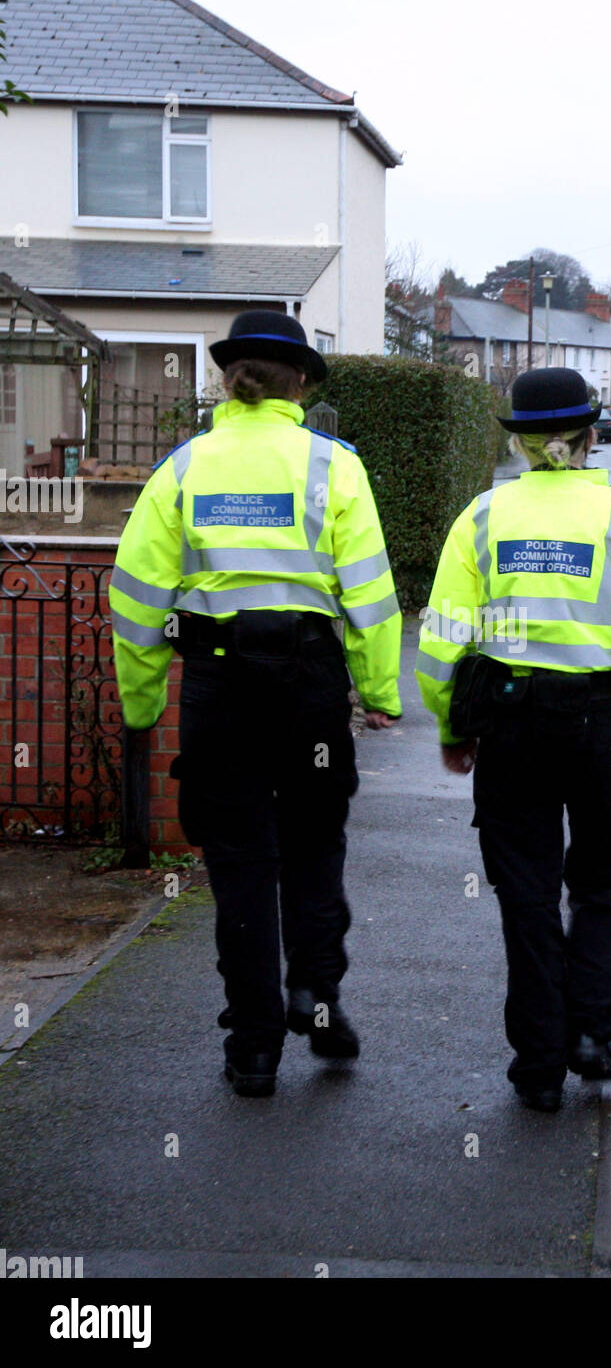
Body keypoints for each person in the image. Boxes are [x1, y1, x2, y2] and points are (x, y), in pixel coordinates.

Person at [110, 310, 402, 1097]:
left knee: (239, 864)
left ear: (228, 382)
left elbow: (135, 596)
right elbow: (370, 596)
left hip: (217, 684)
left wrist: (141, 703)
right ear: (300, 382)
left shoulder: (185, 467)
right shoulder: (333, 466)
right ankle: (315, 999)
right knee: (314, 846)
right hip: (307, 685)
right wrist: (378, 693)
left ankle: (252, 1046)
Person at [416, 368, 611, 1113]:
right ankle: (595, 1037)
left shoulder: (481, 519)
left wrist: (453, 726)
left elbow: (442, 640)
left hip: (511, 726)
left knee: (526, 894)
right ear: (588, 437)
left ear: (516, 440)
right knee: (603, 883)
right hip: (601, 725)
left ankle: (537, 1064)